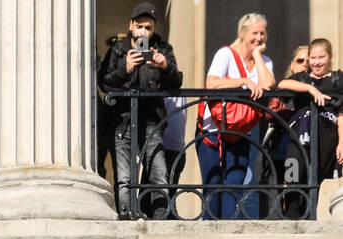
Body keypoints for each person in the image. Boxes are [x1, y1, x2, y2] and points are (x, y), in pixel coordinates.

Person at [98, 3, 183, 220]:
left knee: (158, 172)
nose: (143, 32)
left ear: (154, 28)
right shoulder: (118, 50)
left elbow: (177, 82)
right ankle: (126, 217)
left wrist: (165, 66)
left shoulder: (162, 49)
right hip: (123, 120)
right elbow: (104, 83)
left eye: (148, 27)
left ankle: (160, 217)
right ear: (131, 25)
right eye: (139, 26)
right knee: (125, 176)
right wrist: (125, 68)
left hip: (152, 120)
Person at [198, 12, 275, 220]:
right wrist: (244, 81)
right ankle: (210, 233)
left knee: (235, 183)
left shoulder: (264, 60)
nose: (259, 38)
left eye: (262, 33)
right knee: (212, 184)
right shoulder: (226, 54)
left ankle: (229, 233)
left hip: (241, 130)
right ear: (243, 34)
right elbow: (212, 83)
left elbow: (267, 84)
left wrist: (257, 55)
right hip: (213, 128)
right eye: (254, 33)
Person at [278, 37, 343, 217]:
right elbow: (282, 84)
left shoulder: (338, 78)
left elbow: (341, 116)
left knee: (314, 182)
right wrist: (311, 89)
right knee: (293, 178)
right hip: (298, 135)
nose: (317, 62)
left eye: (321, 57)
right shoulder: (303, 78)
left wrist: (342, 143)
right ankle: (292, 223)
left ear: (330, 57)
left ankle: (308, 220)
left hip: (327, 138)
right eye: (313, 58)